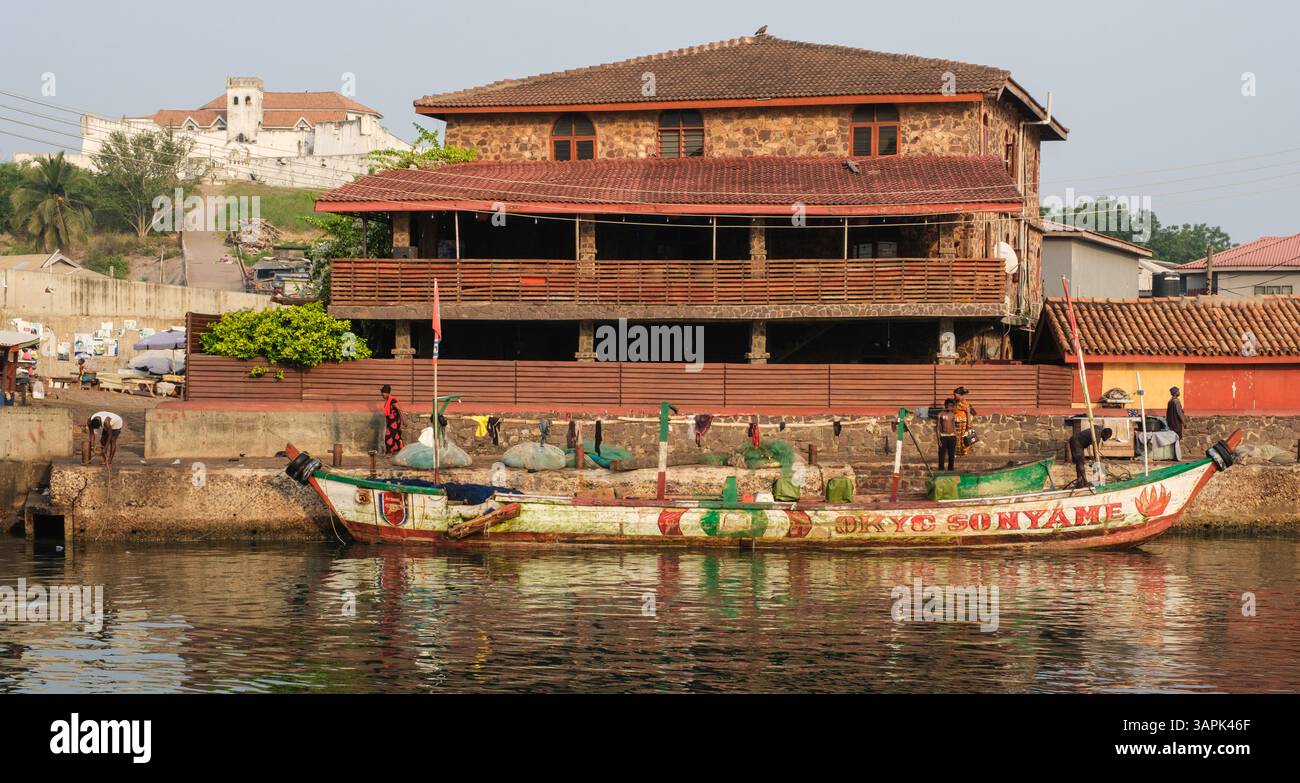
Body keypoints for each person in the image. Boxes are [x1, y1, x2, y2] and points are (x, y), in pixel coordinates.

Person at [952, 386, 978, 456]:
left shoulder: (964, 403)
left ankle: (964, 453)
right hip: (957, 423)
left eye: (955, 395)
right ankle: (959, 453)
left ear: (960, 395)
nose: (954, 396)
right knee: (958, 438)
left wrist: (968, 425)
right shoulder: (956, 402)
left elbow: (968, 413)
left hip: (963, 423)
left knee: (963, 438)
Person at [936, 397, 958, 471]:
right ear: (945, 405)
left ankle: (951, 469)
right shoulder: (940, 414)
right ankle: (941, 469)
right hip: (943, 437)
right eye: (948, 405)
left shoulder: (953, 415)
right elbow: (938, 427)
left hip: (952, 436)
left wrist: (956, 436)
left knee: (951, 455)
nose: (950, 407)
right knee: (941, 454)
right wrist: (939, 439)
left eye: (951, 406)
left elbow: (954, 426)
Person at [381, 385, 403, 454]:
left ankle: (389, 453)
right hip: (390, 423)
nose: (382, 395)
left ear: (387, 393)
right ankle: (398, 452)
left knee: (389, 438)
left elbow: (400, 410)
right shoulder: (388, 400)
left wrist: (404, 421)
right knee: (396, 437)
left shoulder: (392, 401)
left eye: (383, 393)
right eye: (382, 393)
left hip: (394, 423)